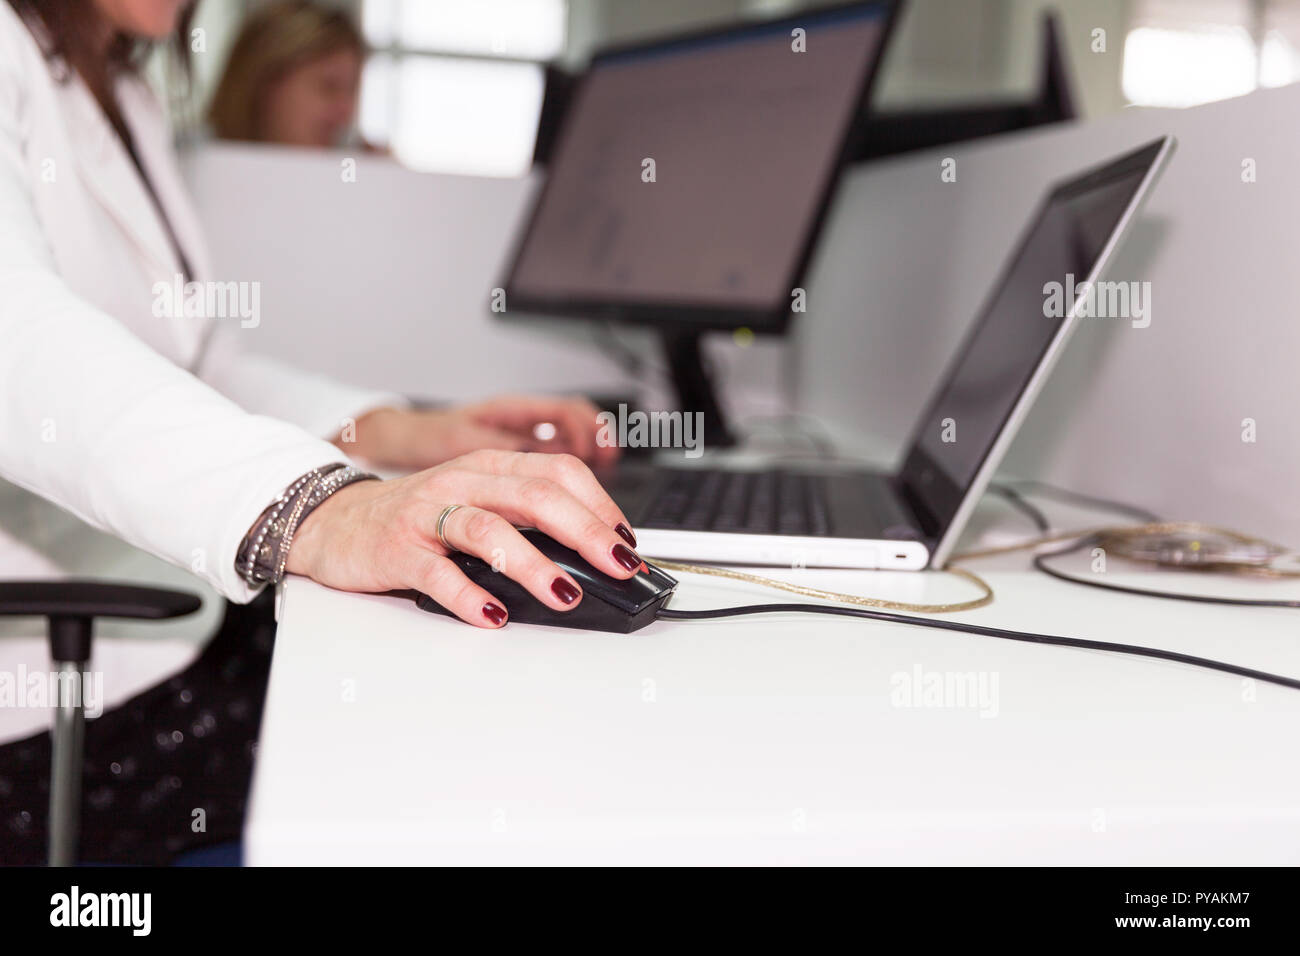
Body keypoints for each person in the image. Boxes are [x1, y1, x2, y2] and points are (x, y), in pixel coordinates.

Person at [0, 0, 638, 863]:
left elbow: (200, 359)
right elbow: (18, 340)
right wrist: (315, 510)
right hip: (61, 701)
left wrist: (411, 431)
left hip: (175, 612)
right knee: (432, 764)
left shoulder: (121, 89)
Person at [207, 0, 365, 148]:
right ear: (264, 84)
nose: (346, 110)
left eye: (351, 90)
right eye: (329, 87)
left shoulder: (350, 168)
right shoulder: (193, 165)